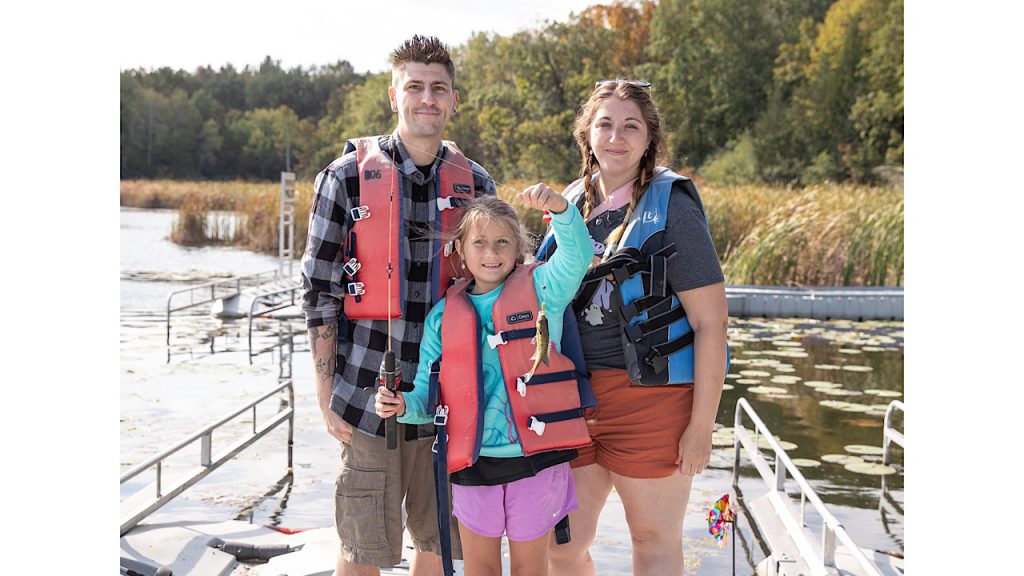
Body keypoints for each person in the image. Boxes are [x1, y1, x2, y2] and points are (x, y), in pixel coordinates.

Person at [300, 35, 496, 576]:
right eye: (415, 86)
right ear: (394, 95)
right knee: (364, 548)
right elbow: (319, 290)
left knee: (439, 545)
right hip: (367, 393)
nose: (426, 98)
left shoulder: (477, 185)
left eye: (438, 88)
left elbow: (496, 293)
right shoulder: (343, 179)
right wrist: (324, 393)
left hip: (449, 399)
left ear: (454, 99)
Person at [535, 80, 729, 575]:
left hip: (654, 400)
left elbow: (712, 323)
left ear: (649, 139)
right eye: (604, 124)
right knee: (562, 545)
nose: (615, 137)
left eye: (630, 126)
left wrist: (701, 428)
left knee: (653, 540)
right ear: (587, 135)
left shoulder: (673, 205)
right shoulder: (570, 204)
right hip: (573, 398)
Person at [375, 190, 594, 576]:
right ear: (460, 249)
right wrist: (403, 407)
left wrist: (561, 210)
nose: (491, 252)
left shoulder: (546, 289)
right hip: (475, 465)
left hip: (537, 463)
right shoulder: (443, 317)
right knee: (481, 570)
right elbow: (429, 394)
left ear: (518, 248)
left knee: (530, 570)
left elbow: (577, 256)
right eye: (480, 242)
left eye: (502, 242)